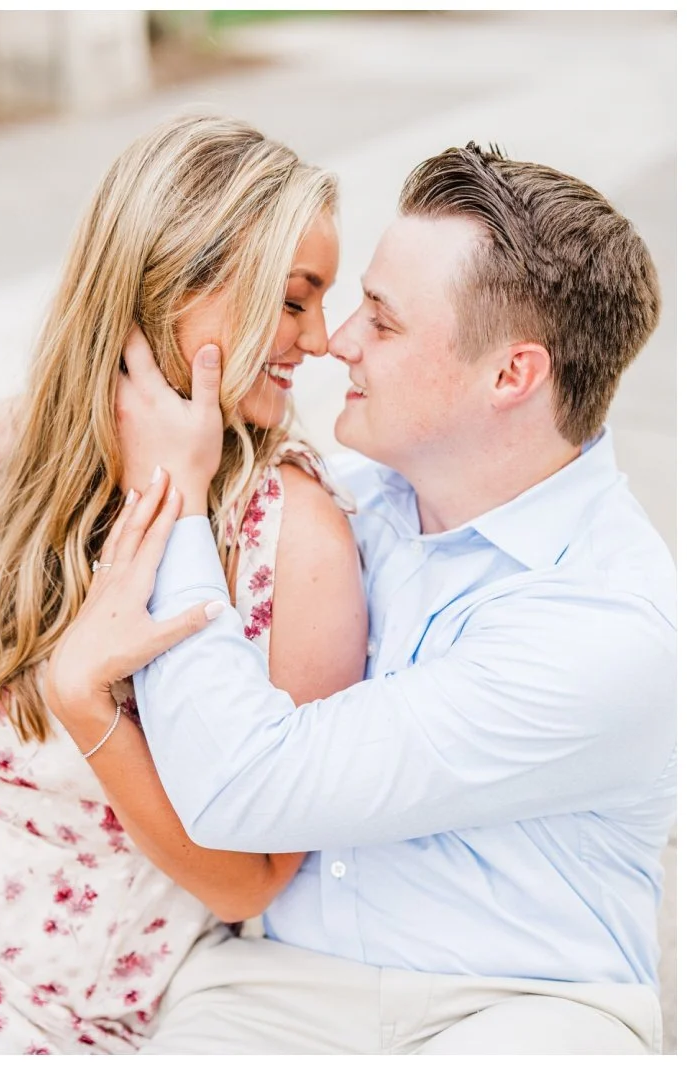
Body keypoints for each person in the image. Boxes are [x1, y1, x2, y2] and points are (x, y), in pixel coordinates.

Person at [44, 143, 673, 1053]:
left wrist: (176, 491)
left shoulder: (605, 626)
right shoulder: (339, 502)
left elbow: (244, 787)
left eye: (381, 320)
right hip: (274, 990)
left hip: (524, 1005)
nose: (335, 339)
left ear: (512, 375)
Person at [0, 115, 367, 1052]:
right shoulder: (7, 451)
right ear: (173, 282)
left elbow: (254, 876)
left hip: (71, 1008)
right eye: (291, 298)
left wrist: (86, 704)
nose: (317, 339)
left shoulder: (294, 533)